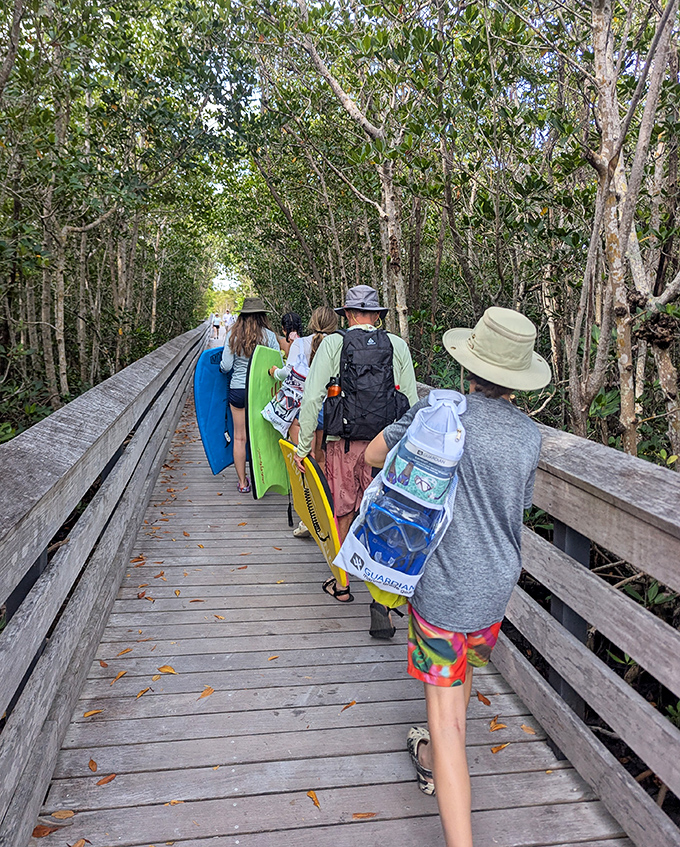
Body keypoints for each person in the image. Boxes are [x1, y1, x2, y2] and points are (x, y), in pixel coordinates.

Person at [364, 306, 551, 847]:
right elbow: (517, 504)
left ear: (469, 366)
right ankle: (428, 754)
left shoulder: (438, 411)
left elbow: (376, 454)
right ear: (517, 381)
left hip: (442, 589)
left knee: (447, 725)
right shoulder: (528, 436)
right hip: (495, 590)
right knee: (462, 677)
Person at [293, 285, 418, 603]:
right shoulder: (397, 345)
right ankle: (382, 596)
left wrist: (304, 446)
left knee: (343, 511)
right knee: (381, 512)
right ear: (377, 316)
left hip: (343, 445)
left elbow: (312, 398)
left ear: (347, 314)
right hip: (386, 447)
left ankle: (344, 586)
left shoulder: (335, 343)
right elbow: (411, 402)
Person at [263, 306, 338, 538]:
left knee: (304, 460)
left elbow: (290, 373)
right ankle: (328, 512)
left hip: (303, 408)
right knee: (323, 460)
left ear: (311, 322)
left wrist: (274, 372)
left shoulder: (300, 344)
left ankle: (308, 519)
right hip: (329, 407)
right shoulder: (338, 344)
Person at [219, 297, 280, 493]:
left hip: (238, 391)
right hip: (260, 392)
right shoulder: (269, 336)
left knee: (239, 438)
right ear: (262, 315)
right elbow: (276, 365)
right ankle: (264, 479)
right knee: (262, 436)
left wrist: (220, 370)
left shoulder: (232, 335)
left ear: (242, 315)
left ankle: (243, 483)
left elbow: (226, 366)